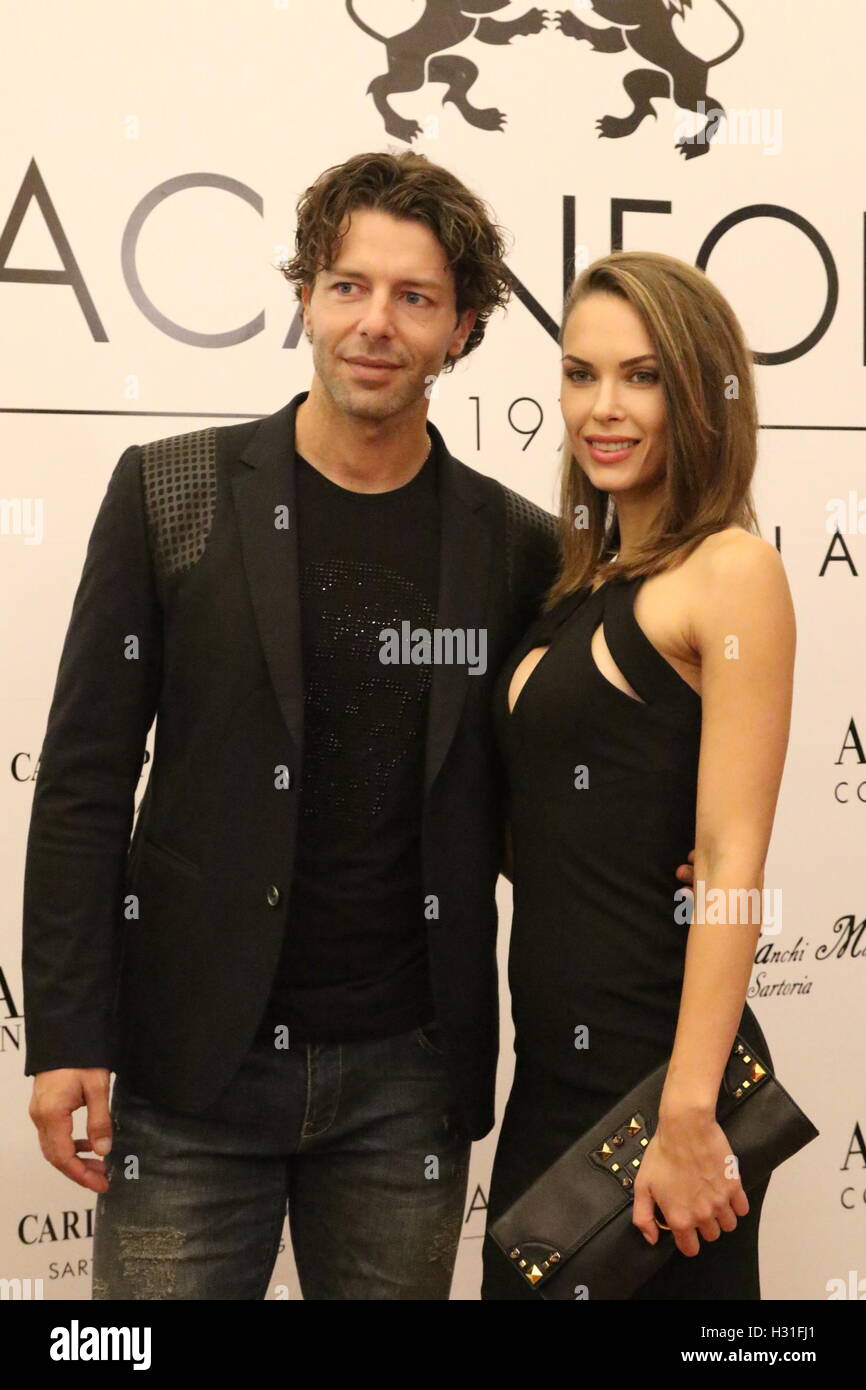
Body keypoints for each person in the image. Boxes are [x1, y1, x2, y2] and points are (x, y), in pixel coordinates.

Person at [22, 151, 694, 1301]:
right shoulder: (168, 492)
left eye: (413, 297)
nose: (373, 323)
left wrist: (666, 863)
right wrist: (67, 1031)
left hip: (405, 1086)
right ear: (304, 298)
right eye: (347, 286)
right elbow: (82, 780)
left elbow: (552, 774)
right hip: (189, 1070)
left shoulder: (519, 549)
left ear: (462, 328)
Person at [481, 251, 795, 1301]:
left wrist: (689, 1112)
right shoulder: (574, 583)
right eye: (578, 374)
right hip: (547, 1079)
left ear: (700, 391)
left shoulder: (731, 571)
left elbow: (729, 856)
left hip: (659, 1087)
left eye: (640, 375)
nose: (600, 407)